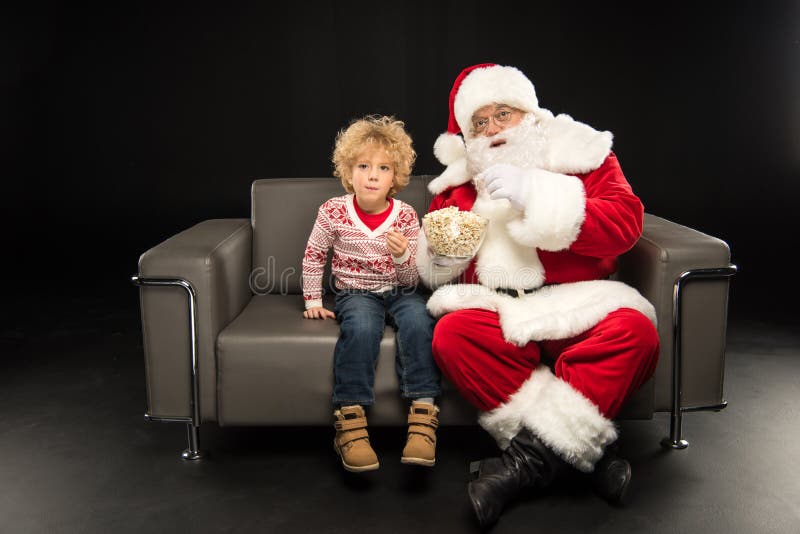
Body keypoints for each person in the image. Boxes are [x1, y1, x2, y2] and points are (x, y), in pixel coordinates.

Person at [415, 63, 660, 526]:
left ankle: (519, 468)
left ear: (527, 113)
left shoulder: (581, 152)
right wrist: (445, 256)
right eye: (479, 123)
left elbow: (626, 222)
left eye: (502, 113)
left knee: (636, 332)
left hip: (580, 302)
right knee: (452, 335)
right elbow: (431, 266)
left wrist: (537, 194)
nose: (492, 129)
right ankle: (586, 461)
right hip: (502, 308)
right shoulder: (457, 186)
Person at [302, 115, 441, 473]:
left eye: (383, 168)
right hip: (355, 293)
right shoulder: (333, 211)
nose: (372, 175)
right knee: (362, 329)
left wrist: (401, 255)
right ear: (349, 173)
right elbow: (314, 256)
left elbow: (413, 277)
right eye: (363, 166)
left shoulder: (407, 216)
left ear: (396, 177)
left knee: (418, 322)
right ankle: (350, 422)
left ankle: (423, 419)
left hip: (401, 290)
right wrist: (313, 301)